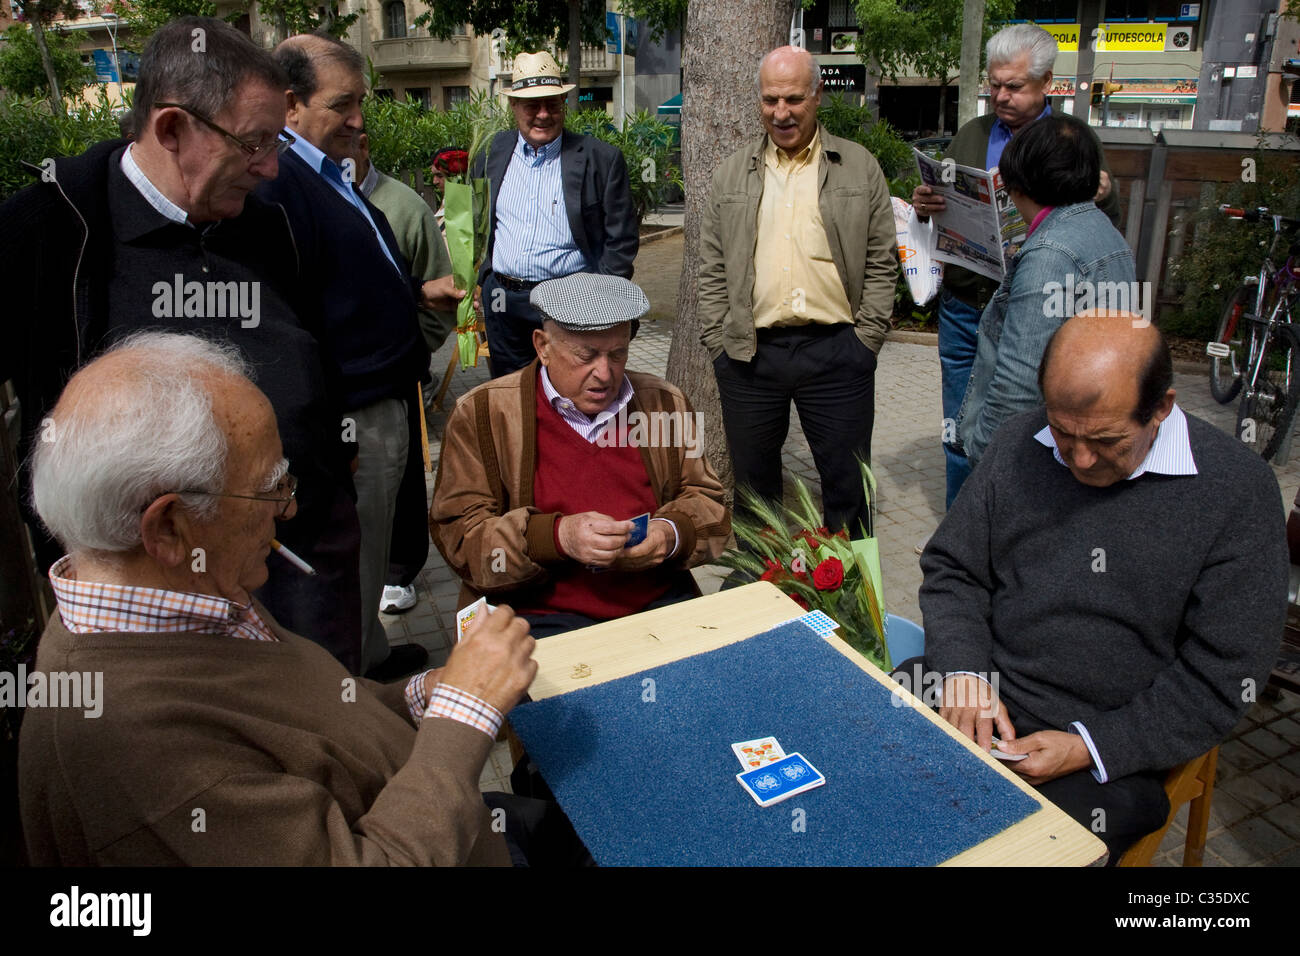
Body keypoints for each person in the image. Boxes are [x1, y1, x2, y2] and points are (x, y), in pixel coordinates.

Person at [19, 333, 538, 865]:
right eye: (269, 488)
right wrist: (464, 716)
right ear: (170, 528)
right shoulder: (129, 744)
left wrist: (428, 693)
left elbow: (316, 718)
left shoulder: (185, 594)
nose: (287, 510)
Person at [0, 16, 366, 674]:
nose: (272, 167)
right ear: (172, 129)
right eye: (253, 143)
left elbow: (309, 348)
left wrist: (334, 462)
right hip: (159, 599)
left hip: (298, 555)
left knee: (327, 724)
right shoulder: (51, 230)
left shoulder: (264, 224)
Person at [919, 314, 1287, 861]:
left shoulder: (1237, 492)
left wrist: (1091, 746)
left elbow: (1227, 674)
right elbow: (954, 569)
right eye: (1063, 433)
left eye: (1105, 439)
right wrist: (965, 673)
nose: (1080, 460)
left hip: (1113, 749)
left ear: (1161, 407)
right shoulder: (1020, 442)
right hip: (981, 695)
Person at [257, 33, 461, 678]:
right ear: (291, 104)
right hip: (353, 416)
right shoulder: (280, 187)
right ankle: (352, 684)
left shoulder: (321, 172)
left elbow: (343, 282)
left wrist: (410, 293)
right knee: (353, 552)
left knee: (369, 551)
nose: (357, 120)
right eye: (341, 104)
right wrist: (326, 428)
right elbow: (292, 320)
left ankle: (367, 654)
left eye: (361, 103)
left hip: (379, 400)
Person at [430, 273, 730, 638]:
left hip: (655, 601)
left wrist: (669, 535)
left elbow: (710, 504)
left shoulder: (665, 404)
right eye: (585, 355)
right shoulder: (482, 413)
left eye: (617, 354)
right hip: (537, 613)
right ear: (542, 346)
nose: (604, 374)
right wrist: (556, 538)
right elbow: (460, 535)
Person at [912, 23, 1121, 509]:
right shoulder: (972, 134)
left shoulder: (1072, 138)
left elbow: (1102, 226)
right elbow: (942, 201)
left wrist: (1108, 196)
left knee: (1023, 427)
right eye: (994, 84)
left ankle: (1015, 523)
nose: (1001, 96)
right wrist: (926, 203)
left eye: (1014, 87)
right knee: (957, 427)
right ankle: (962, 525)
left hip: (1034, 309)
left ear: (1046, 82)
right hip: (965, 304)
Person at [698, 45, 896, 540]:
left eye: (792, 99)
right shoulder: (731, 173)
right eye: (769, 100)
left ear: (817, 95)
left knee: (848, 490)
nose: (780, 113)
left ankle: (853, 604)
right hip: (750, 357)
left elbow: (881, 259)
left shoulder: (857, 167)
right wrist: (719, 346)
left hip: (837, 354)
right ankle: (759, 598)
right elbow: (712, 265)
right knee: (756, 496)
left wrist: (865, 341)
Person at [954, 113, 1135, 466]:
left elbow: (1018, 386)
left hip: (1043, 451)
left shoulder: (1050, 256)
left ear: (1018, 187)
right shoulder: (1105, 232)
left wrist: (985, 458)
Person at [473, 51, 639, 378]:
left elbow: (621, 241)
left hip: (568, 304)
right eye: (532, 106)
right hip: (504, 305)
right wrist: (484, 279)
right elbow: (481, 226)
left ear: (563, 102)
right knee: (512, 398)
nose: (544, 114)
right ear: (514, 107)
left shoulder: (601, 159)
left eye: (553, 103)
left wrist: (595, 301)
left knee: (569, 401)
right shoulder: (491, 153)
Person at [352, 131, 452, 615]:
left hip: (397, 371)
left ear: (365, 143)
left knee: (406, 473)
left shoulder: (403, 206)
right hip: (342, 379)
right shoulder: (303, 195)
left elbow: (438, 289)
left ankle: (399, 571)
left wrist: (411, 350)